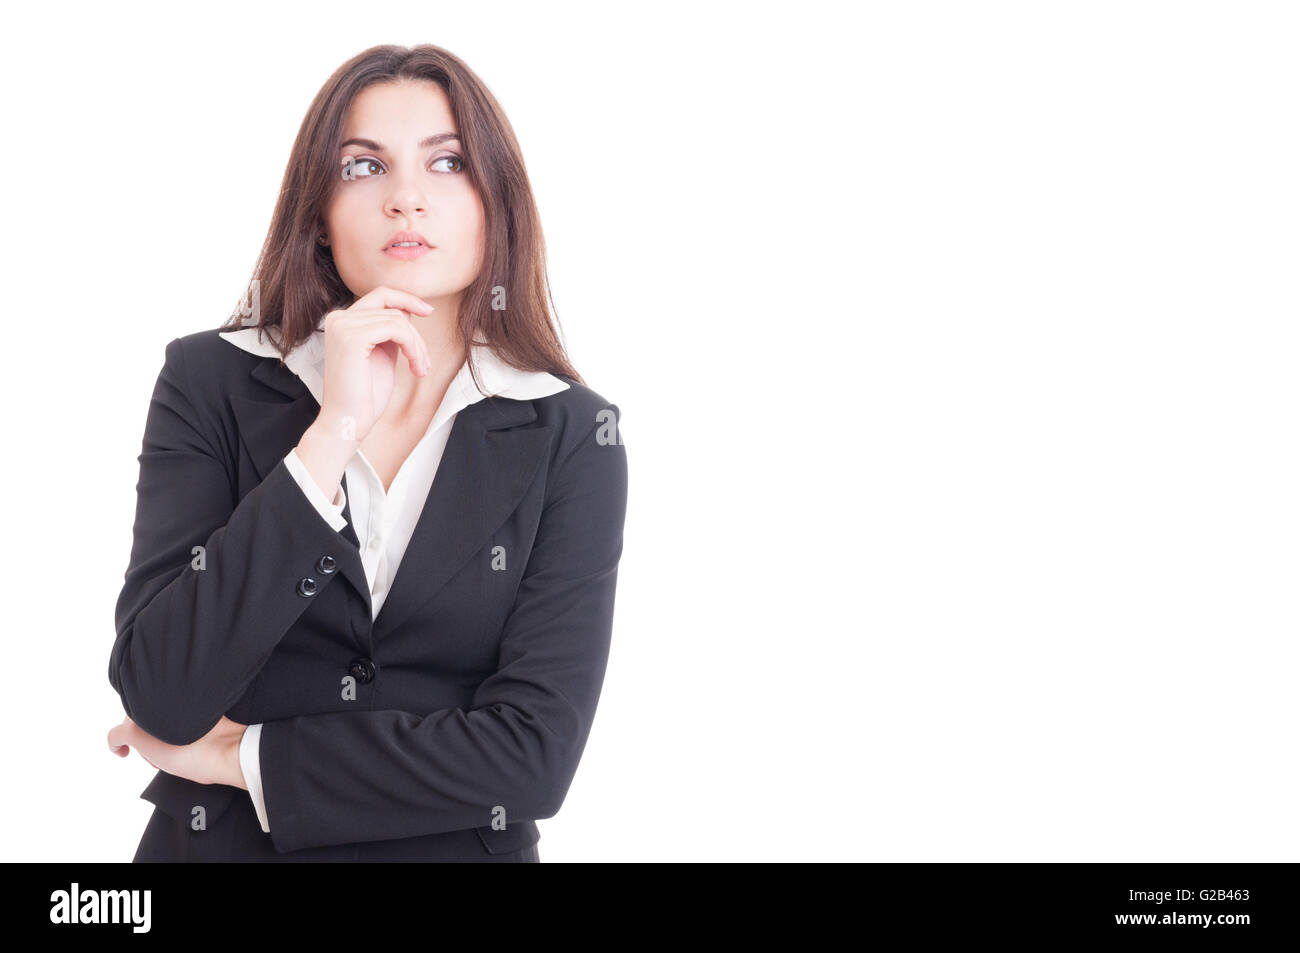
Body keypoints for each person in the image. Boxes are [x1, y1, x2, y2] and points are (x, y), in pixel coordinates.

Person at [105, 43, 628, 862]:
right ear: (318, 209)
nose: (406, 200)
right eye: (363, 167)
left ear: (497, 201)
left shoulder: (572, 436)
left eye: (447, 162)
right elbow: (162, 689)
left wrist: (245, 760)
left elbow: (533, 758)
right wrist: (329, 437)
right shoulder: (208, 380)